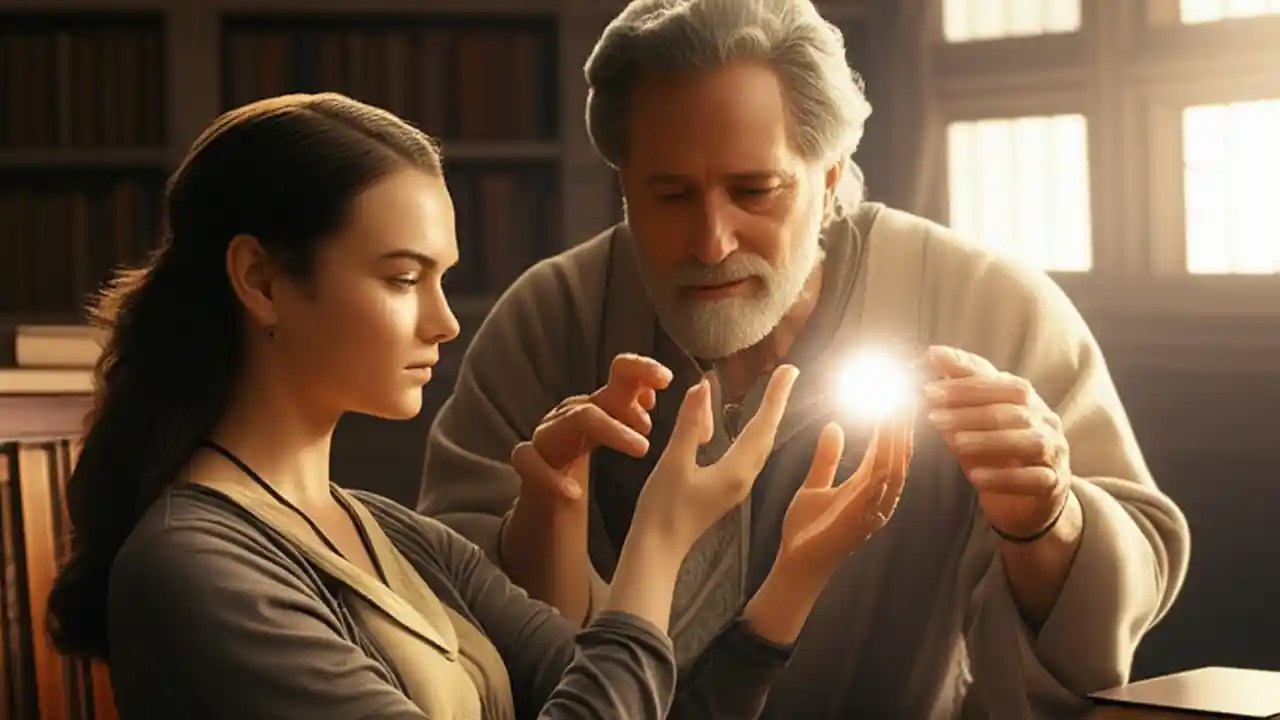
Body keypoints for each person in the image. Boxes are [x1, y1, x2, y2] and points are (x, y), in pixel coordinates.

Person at [417, 1, 1192, 717]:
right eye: (671, 195)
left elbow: (1129, 563)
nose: (711, 242)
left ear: (830, 179)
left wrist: (1045, 519)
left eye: (756, 191)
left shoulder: (986, 302)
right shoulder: (553, 315)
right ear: (623, 187)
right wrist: (547, 513)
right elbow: (445, 599)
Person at [44, 92, 914, 720]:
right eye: (402, 278)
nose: (445, 320)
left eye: (443, 278)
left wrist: (793, 577)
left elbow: (642, 703)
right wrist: (659, 540)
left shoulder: (395, 535)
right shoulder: (194, 570)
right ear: (261, 280)